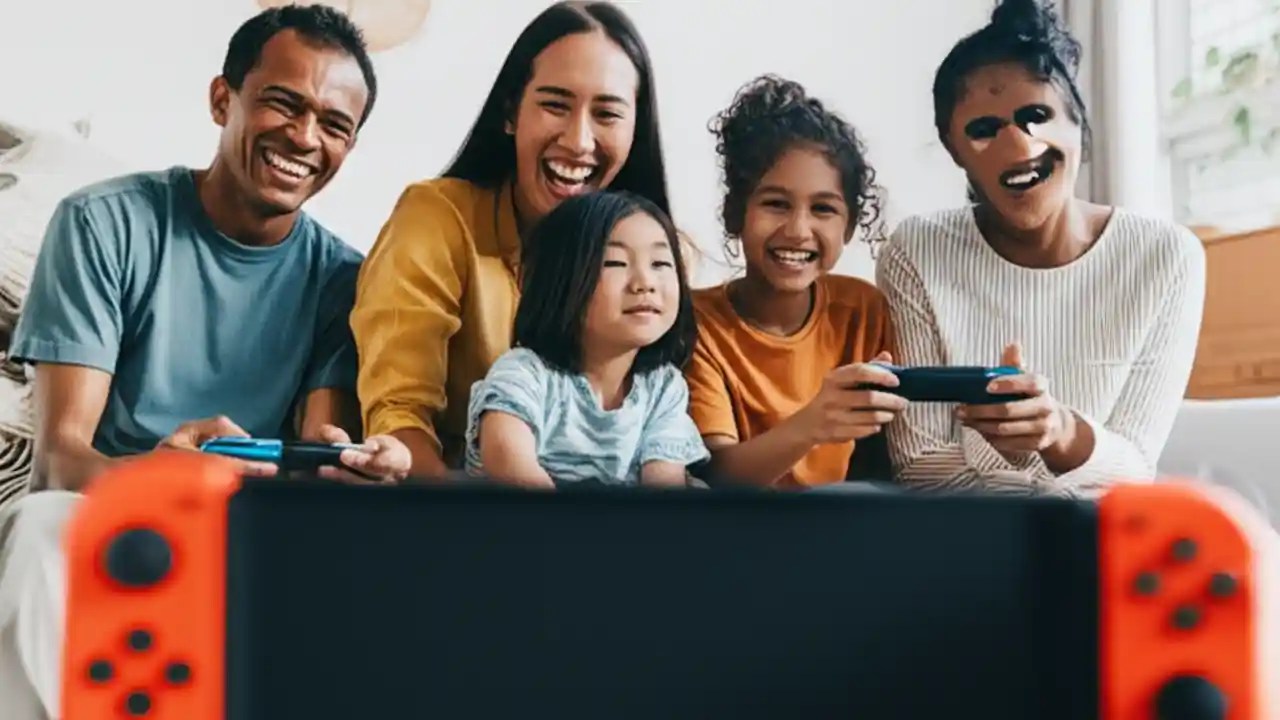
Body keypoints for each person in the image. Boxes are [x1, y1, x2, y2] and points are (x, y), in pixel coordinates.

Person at [9, 4, 410, 491]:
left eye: (333, 125)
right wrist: (162, 479)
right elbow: (59, 464)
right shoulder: (102, 223)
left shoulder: (345, 282)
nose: (305, 137)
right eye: (284, 104)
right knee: (37, 525)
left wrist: (357, 472)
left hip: (248, 530)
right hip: (103, 511)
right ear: (223, 100)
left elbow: (318, 459)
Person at [876, 0, 1206, 497]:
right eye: (984, 130)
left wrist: (1061, 432)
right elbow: (919, 470)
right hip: (959, 547)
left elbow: (1135, 473)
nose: (1018, 147)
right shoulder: (917, 250)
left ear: (1078, 124)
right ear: (954, 151)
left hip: (1094, 547)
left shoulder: (1165, 255)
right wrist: (1033, 452)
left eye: (1036, 115)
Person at [351, 1, 670, 478]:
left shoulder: (659, 263)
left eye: (607, 113)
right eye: (555, 104)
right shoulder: (439, 217)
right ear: (510, 112)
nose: (580, 140)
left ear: (635, 130)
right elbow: (400, 413)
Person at [683, 75, 904, 490]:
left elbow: (884, 461)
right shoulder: (696, 322)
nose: (799, 229)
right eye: (776, 204)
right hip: (739, 530)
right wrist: (813, 424)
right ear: (735, 213)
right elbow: (717, 477)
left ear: (850, 227)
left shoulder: (862, 309)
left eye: (823, 209)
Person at [464, 191, 705, 488]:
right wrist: (572, 530)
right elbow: (507, 460)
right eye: (615, 263)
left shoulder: (664, 387)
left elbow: (663, 488)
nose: (645, 283)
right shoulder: (525, 374)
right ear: (558, 280)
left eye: (660, 264)